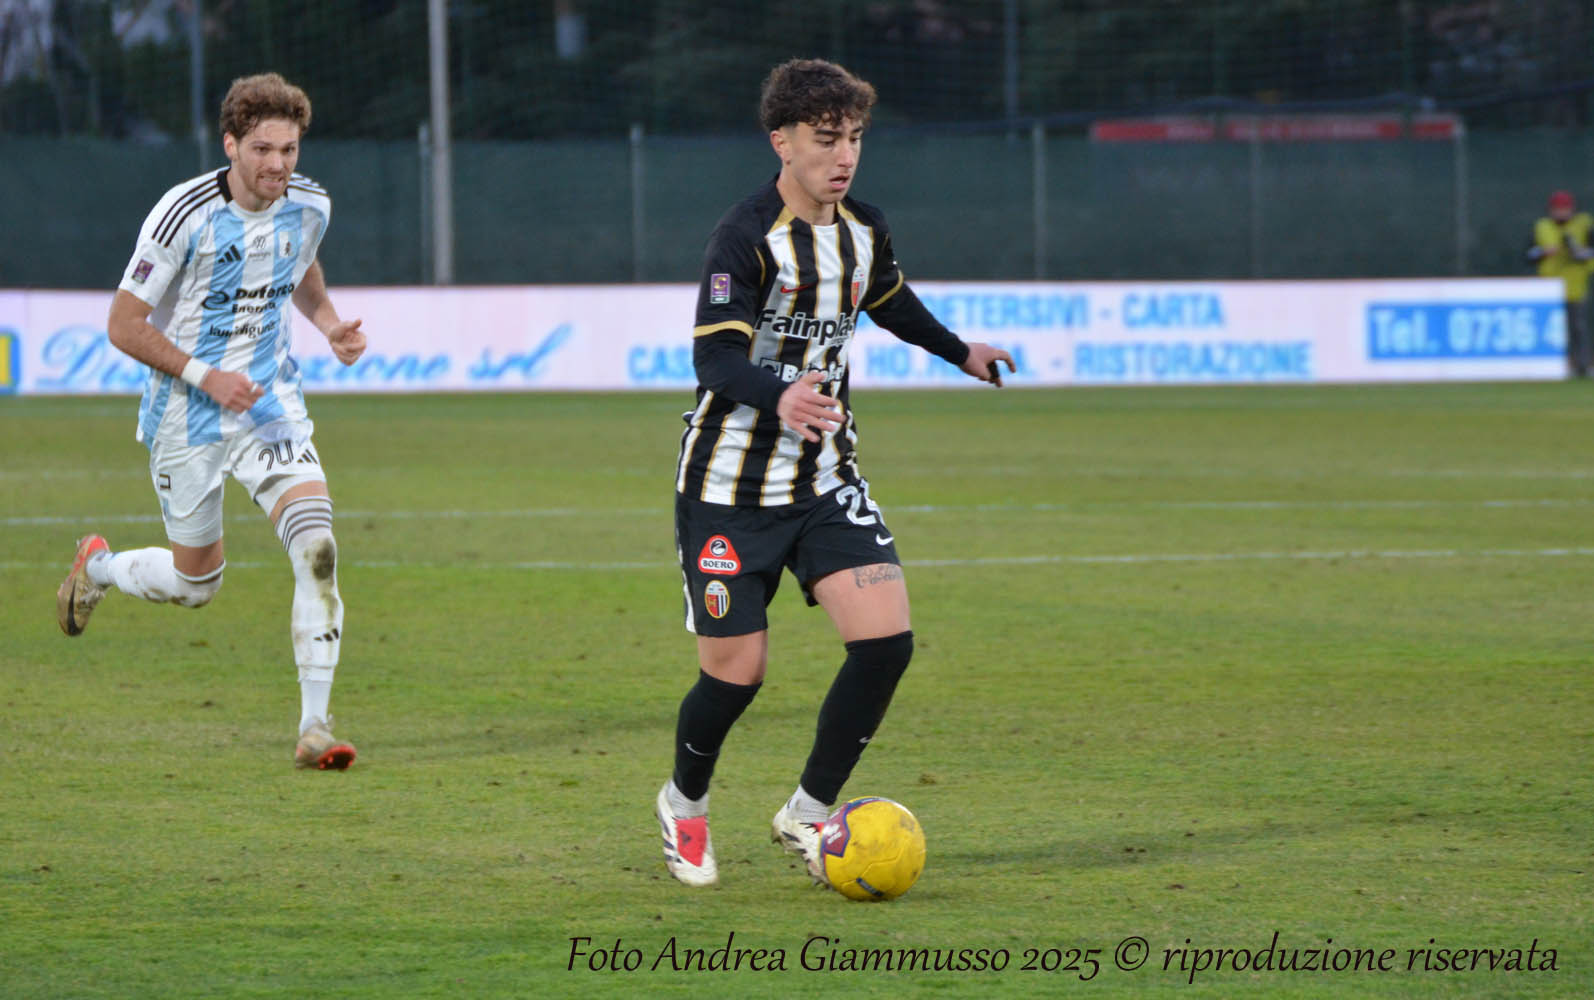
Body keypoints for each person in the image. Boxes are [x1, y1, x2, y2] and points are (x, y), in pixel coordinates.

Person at [654, 57, 1016, 887]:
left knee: (885, 641)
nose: (843, 155)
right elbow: (715, 360)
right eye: (825, 139)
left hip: (823, 479)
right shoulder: (744, 236)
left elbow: (888, 299)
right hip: (728, 490)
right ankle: (686, 804)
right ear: (781, 141)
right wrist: (780, 396)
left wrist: (961, 351)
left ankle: (809, 813)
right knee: (736, 675)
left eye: (853, 137)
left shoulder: (864, 227)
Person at [55, 72, 367, 770]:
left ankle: (316, 727)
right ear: (230, 144)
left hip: (269, 404)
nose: (279, 165)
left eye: (289, 149)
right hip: (185, 412)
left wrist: (326, 324)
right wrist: (205, 376)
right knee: (198, 585)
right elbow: (122, 324)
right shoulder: (182, 214)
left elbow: (303, 267)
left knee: (317, 547)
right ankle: (98, 567)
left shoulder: (309, 204)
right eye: (262, 149)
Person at [1527, 189, 1594, 377]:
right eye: (1557, 208)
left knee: (1577, 328)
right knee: (1549, 329)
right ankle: (1549, 365)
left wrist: (1576, 251)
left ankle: (1581, 366)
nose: (1561, 212)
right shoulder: (1542, 226)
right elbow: (1529, 254)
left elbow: (1589, 253)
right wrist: (1543, 252)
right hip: (1548, 289)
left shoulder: (1583, 225)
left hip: (1575, 286)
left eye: (1564, 208)